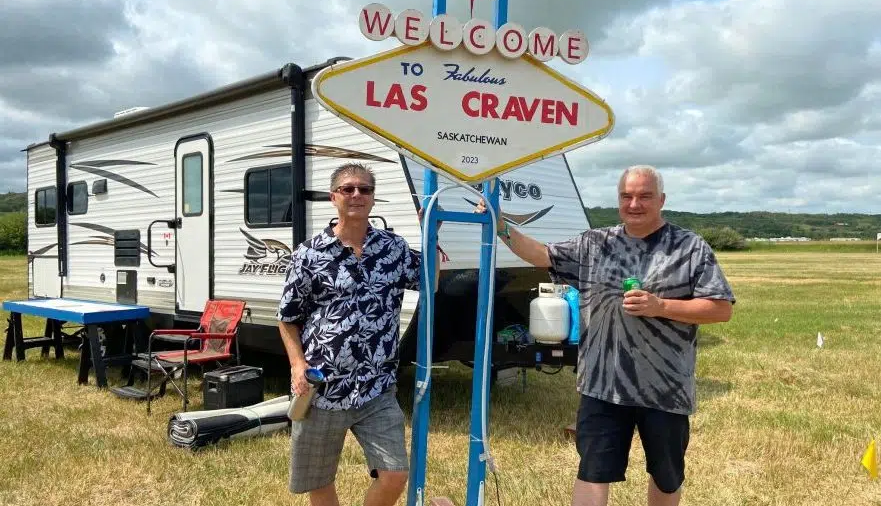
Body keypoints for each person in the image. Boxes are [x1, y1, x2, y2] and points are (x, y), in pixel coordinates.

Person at [477, 165, 735, 506]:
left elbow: (720, 309)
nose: (634, 204)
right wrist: (500, 226)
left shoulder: (689, 247)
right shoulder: (595, 243)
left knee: (666, 475)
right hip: (602, 385)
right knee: (593, 471)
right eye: (626, 196)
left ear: (662, 200)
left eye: (644, 196)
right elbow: (541, 254)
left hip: (665, 388)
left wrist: (660, 306)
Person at [277, 162, 440, 506]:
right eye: (348, 188)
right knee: (319, 480)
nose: (356, 195)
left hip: (376, 387)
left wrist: (432, 232)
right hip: (322, 388)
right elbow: (287, 318)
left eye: (365, 189)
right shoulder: (309, 254)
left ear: (373, 198)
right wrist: (297, 365)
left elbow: (430, 280)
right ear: (333, 197)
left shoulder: (393, 249)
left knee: (395, 473)